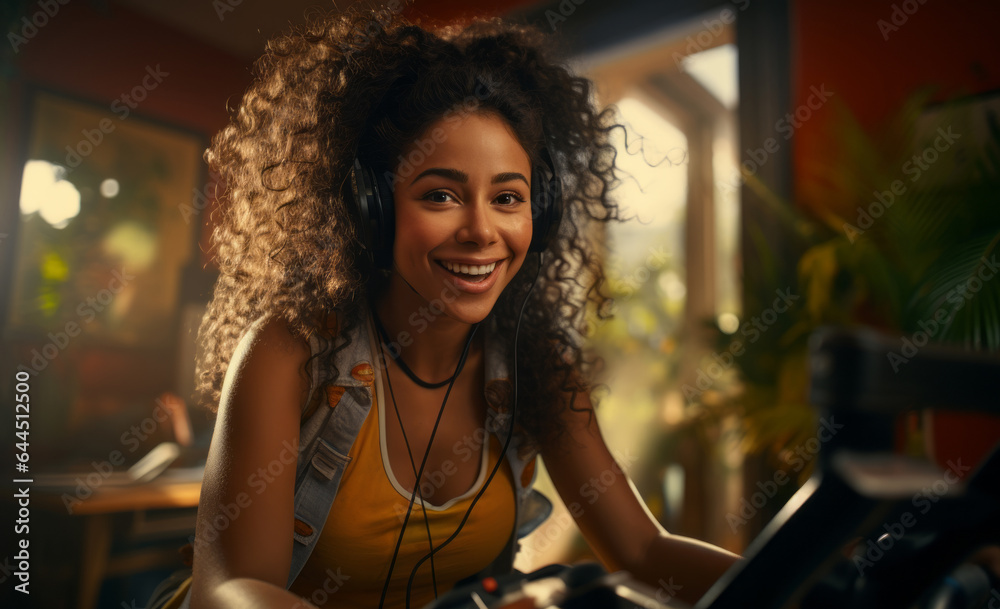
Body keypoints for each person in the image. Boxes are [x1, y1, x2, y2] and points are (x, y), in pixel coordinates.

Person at [184, 7, 741, 609]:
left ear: (540, 212)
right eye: (441, 195)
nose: (481, 230)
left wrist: (802, 586)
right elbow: (232, 589)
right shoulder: (287, 350)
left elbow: (643, 553)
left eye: (507, 197)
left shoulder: (534, 361)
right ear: (372, 207)